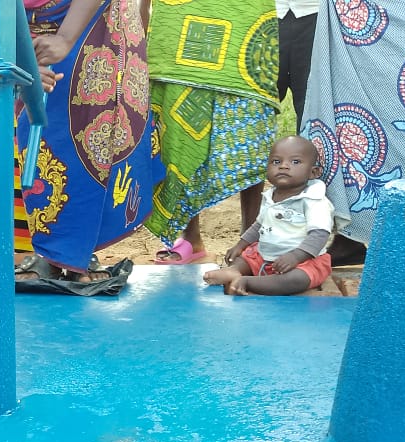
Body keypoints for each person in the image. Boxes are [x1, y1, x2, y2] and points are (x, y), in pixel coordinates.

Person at [12, 0, 163, 281]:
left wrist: (65, 38)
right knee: (44, 140)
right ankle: (57, 253)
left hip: (92, 21)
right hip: (22, 25)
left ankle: (74, 254)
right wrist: (18, 57)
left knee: (86, 136)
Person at [142, 0, 279, 265]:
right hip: (178, 18)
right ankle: (190, 236)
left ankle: (251, 238)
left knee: (249, 133)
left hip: (245, 19)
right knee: (178, 128)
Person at [301, 0, 405, 267]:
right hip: (356, 15)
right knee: (346, 105)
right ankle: (349, 237)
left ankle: (402, 233)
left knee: (404, 108)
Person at [203, 136, 334, 295]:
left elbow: (319, 234)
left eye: (295, 162)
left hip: (304, 260)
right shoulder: (270, 195)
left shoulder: (314, 200)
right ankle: (235, 271)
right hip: (265, 255)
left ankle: (248, 282)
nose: (284, 166)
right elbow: (259, 225)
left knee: (297, 279)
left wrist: (295, 257)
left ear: (313, 172)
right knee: (246, 257)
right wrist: (240, 245)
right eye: (276, 162)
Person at [276, 0, 319, 133]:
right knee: (263, 95)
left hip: (315, 15)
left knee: (309, 100)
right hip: (269, 14)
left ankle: (308, 144)